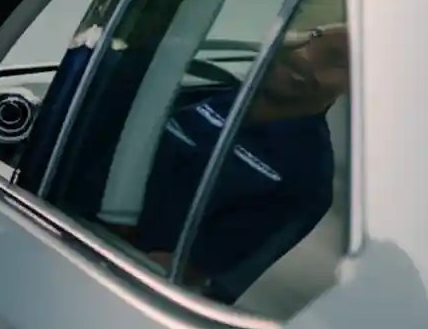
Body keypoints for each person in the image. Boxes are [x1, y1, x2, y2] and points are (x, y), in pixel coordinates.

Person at [131, 22, 350, 304]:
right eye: (313, 41)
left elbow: (181, 271)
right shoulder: (203, 95)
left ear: (354, 88)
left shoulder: (306, 180)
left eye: (335, 60)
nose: (306, 58)